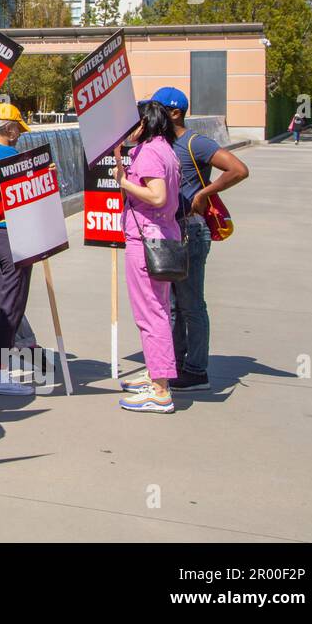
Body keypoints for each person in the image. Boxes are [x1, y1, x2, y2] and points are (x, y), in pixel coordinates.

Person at [150, 87, 249, 392]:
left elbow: (239, 169)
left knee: (192, 303)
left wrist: (204, 193)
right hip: (171, 231)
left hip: (191, 230)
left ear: (175, 113)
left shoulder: (195, 143)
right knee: (175, 304)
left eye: (158, 109)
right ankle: (177, 363)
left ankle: (196, 370)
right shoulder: (161, 144)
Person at [115, 101, 182, 414]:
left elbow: (157, 196)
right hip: (163, 237)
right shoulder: (165, 149)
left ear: (144, 123)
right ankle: (158, 376)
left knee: (150, 315)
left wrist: (125, 182)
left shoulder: (149, 153)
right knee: (158, 310)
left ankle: (160, 390)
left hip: (146, 240)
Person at [0, 103, 38, 396]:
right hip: (15, 234)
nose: (20, 135)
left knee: (0, 301)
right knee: (11, 304)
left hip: (0, 235)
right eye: (18, 129)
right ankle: (0, 373)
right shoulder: (11, 156)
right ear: (11, 129)